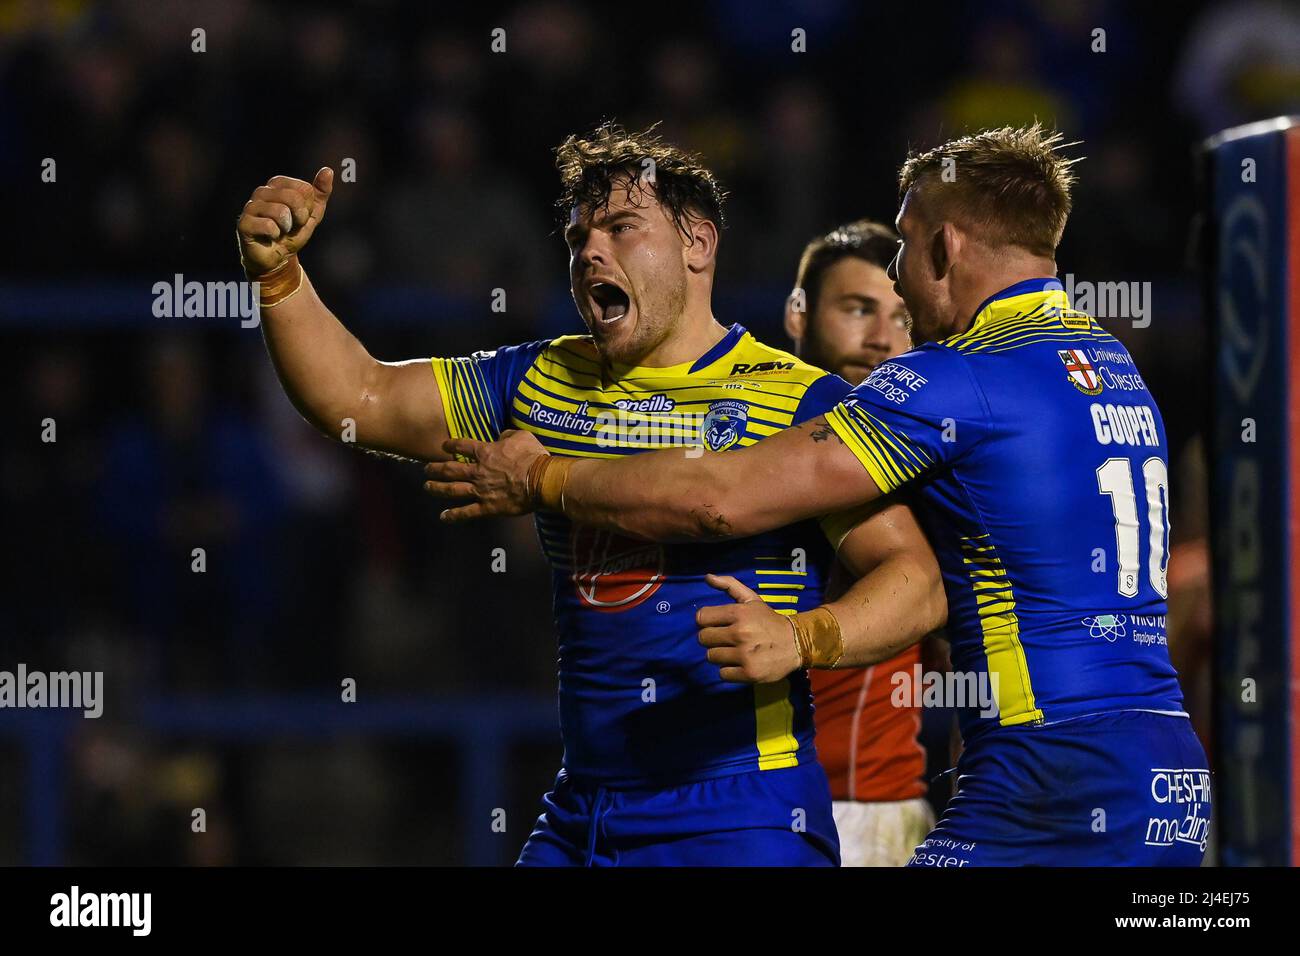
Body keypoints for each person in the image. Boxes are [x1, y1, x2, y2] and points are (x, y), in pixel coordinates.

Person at [424, 124, 1211, 866]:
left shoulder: (954, 378)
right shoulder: (1114, 367)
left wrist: (544, 477)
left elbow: (725, 496)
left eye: (901, 247)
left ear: (944, 246)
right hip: (1166, 765)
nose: (898, 283)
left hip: (1051, 770)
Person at [237, 122, 945, 866]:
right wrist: (279, 278)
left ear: (698, 244)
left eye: (620, 227)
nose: (590, 253)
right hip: (584, 807)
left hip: (734, 808)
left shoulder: (799, 399)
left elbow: (918, 583)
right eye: (578, 240)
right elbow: (362, 395)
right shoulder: (541, 378)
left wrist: (805, 638)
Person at [785, 220, 935, 866]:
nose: (881, 339)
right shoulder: (739, 445)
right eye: (857, 310)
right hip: (742, 809)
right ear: (798, 316)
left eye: (902, 319)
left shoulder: (937, 466)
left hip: (873, 815)